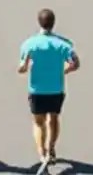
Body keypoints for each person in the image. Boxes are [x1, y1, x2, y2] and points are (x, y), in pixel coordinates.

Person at [18, 9, 80, 172]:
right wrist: (64, 70)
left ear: (39, 22)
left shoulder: (29, 44)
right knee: (53, 119)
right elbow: (75, 63)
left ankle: (42, 153)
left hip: (37, 89)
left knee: (38, 123)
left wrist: (25, 67)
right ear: (53, 23)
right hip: (56, 89)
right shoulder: (64, 44)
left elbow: (21, 68)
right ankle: (51, 147)